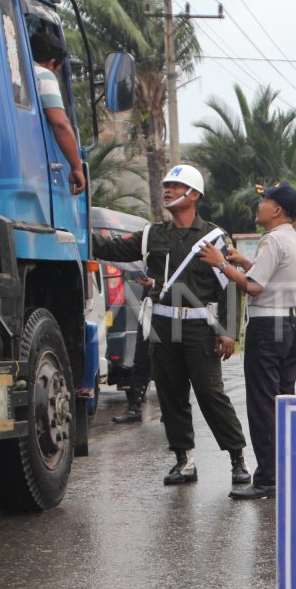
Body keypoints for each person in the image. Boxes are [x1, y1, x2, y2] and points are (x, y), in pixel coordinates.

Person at [92, 165, 249, 487]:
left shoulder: (214, 237)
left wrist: (228, 331)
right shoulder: (152, 234)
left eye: (176, 186)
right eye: (166, 185)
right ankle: (184, 460)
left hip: (200, 327)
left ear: (194, 195)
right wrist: (77, 227)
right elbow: (112, 248)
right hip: (162, 325)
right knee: (171, 394)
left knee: (210, 394)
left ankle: (237, 458)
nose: (168, 190)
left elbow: (230, 286)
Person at [200, 181, 296, 501]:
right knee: (284, 404)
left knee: (263, 406)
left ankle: (266, 480)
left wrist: (221, 263)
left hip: (267, 328)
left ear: (277, 210)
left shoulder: (272, 240)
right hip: (290, 325)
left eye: (265, 201)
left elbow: (254, 287)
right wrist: (244, 263)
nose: (259, 205)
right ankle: (285, 472)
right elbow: (271, 278)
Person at [30, 31, 86, 195]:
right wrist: (76, 167)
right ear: (52, 62)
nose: (55, 74)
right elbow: (60, 124)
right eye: (57, 70)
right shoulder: (43, 75)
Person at [111, 272, 153, 424]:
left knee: (170, 364)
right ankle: (134, 409)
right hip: (150, 309)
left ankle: (173, 410)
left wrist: (155, 282)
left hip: (172, 311)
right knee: (141, 359)